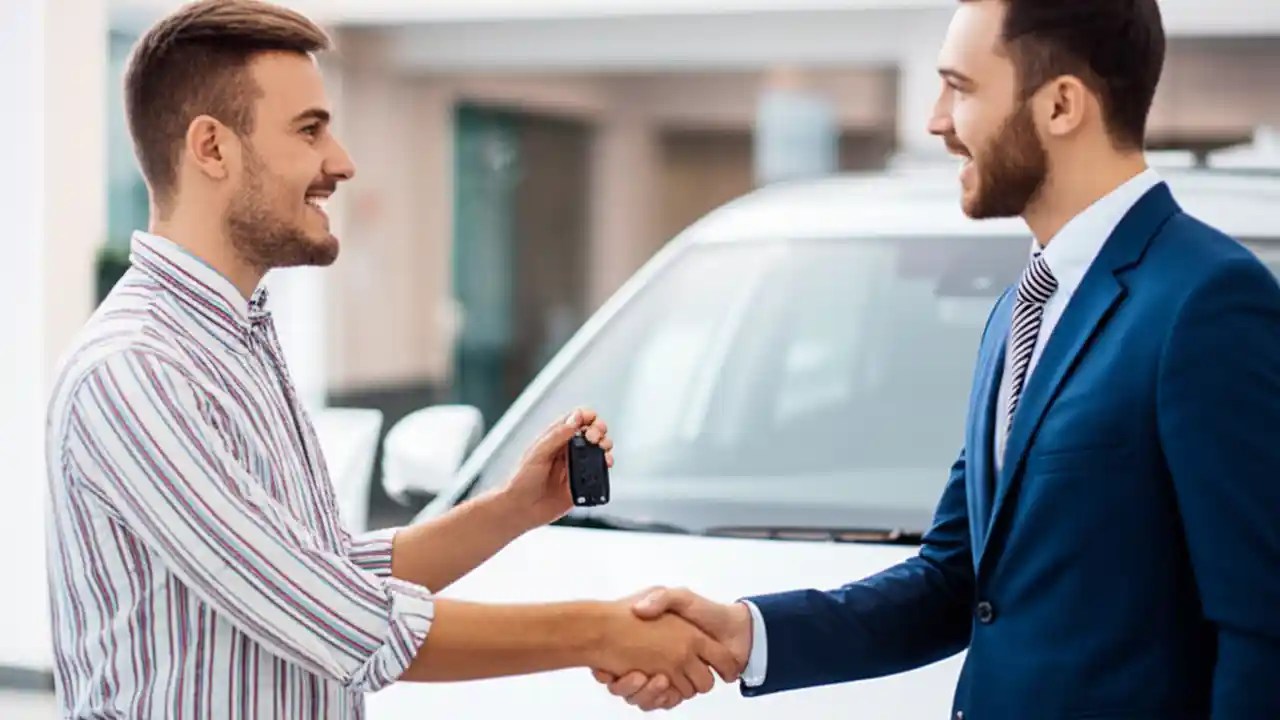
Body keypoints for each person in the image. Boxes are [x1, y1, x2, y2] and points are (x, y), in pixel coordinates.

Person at [43, 2, 737, 718]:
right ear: (212, 149)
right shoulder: (134, 371)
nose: (340, 162)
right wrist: (603, 632)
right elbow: (336, 618)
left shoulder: (236, 340)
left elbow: (325, 571)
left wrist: (512, 510)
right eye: (309, 129)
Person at [596, 0, 1280, 716]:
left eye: (960, 88)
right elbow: (957, 580)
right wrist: (745, 633)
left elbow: (1264, 629)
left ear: (1061, 105)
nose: (937, 121)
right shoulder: (1020, 309)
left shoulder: (1208, 303)